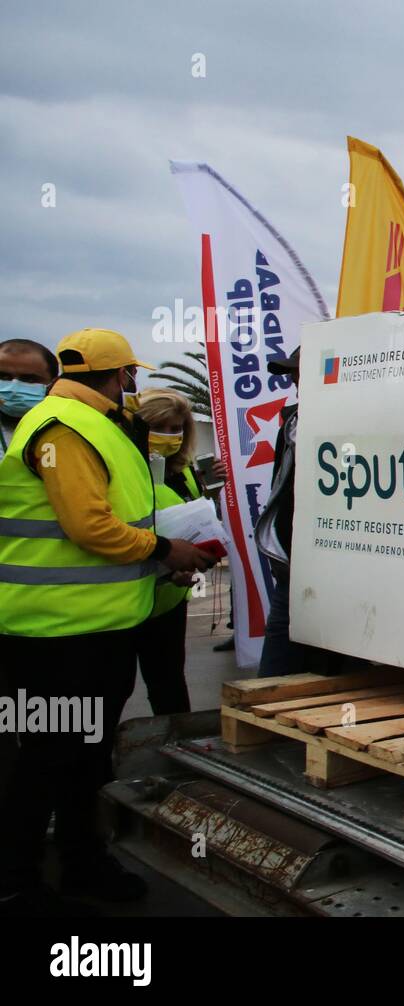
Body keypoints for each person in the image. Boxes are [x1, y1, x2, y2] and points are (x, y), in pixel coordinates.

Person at [0, 328, 217, 916]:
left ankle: (83, 859)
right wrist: (164, 551)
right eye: (130, 376)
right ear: (122, 376)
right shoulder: (65, 427)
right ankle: (17, 880)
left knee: (84, 756)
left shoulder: (96, 425)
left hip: (96, 630)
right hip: (51, 636)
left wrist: (157, 563)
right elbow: (89, 526)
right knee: (45, 758)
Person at [129, 388, 221, 715]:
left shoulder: (183, 471)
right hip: (125, 600)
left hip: (170, 600)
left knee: (168, 683)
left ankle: (177, 748)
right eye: (160, 427)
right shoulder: (123, 469)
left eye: (176, 428)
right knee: (114, 687)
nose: (169, 436)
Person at [254, 348, 310, 677]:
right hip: (290, 573)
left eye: (300, 372)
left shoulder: (361, 423)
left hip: (335, 576)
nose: (293, 380)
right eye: (291, 373)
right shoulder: (291, 425)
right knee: (274, 676)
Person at [0, 338, 59, 461]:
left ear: (53, 383)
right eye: (4, 377)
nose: (13, 388)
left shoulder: (65, 432)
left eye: (29, 379)